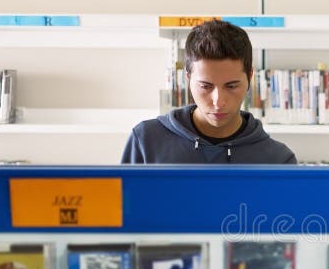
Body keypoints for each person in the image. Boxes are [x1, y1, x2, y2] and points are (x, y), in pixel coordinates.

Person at [121, 19, 296, 164]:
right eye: (205, 86)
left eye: (231, 86)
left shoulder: (279, 160)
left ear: (250, 77)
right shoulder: (145, 141)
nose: (218, 102)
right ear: (188, 78)